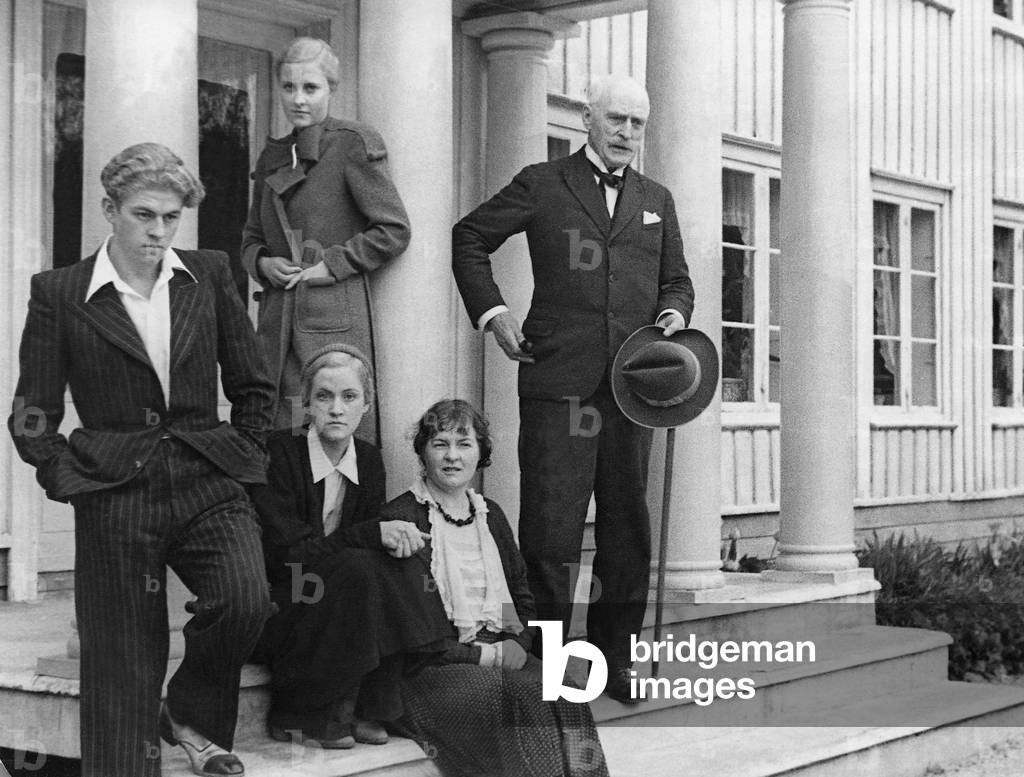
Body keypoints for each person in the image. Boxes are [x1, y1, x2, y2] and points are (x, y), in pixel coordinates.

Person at [8, 143, 275, 777]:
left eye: (171, 217)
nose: (158, 232)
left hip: (206, 478)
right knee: (122, 659)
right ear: (110, 209)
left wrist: (244, 451)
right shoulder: (62, 292)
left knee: (245, 599)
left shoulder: (208, 274)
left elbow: (253, 384)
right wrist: (69, 479)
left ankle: (188, 717)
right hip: (113, 490)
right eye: (143, 215)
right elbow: (32, 414)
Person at [451, 74, 695, 703]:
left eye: (638, 124)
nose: (627, 134)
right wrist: (493, 314)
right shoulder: (543, 182)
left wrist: (673, 315)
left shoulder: (656, 198)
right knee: (551, 536)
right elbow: (469, 237)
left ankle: (615, 665)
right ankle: (553, 669)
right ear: (587, 118)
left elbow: (678, 282)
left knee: (626, 532)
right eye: (616, 119)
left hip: (633, 391)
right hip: (558, 382)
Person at [380, 399, 609, 777]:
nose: (452, 456)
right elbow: (408, 629)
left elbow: (520, 594)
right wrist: (483, 657)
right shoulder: (402, 518)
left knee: (567, 690)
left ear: (481, 452)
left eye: (464, 444)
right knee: (520, 700)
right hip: (431, 670)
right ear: (422, 451)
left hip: (498, 652)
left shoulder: (490, 515)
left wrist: (517, 643)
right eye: (439, 444)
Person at [249, 344, 450, 748]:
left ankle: (372, 706)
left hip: (342, 600)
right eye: (324, 397)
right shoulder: (279, 454)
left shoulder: (369, 460)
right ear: (306, 403)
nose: (336, 409)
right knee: (360, 568)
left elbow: (359, 549)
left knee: (402, 564)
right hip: (282, 602)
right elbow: (290, 557)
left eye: (349, 397)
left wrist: (392, 540)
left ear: (367, 405)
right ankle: (305, 711)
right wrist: (372, 534)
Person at [241, 37, 411, 438]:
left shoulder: (351, 144)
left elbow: (393, 229)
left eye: (310, 88)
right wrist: (263, 262)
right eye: (288, 87)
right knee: (279, 439)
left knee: (332, 432)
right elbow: (250, 236)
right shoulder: (273, 156)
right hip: (277, 319)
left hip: (332, 320)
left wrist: (332, 264)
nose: (298, 99)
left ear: (331, 89)